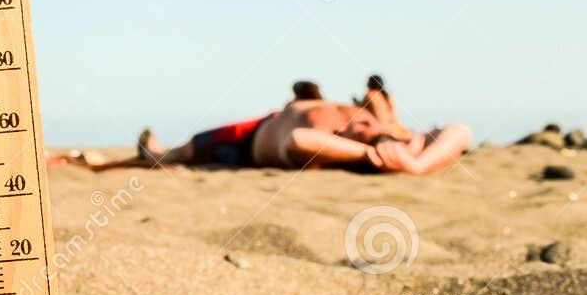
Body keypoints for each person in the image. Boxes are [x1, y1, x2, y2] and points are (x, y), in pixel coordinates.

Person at [68, 86, 471, 176]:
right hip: (281, 116)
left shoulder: (336, 147)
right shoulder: (395, 131)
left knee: (182, 153)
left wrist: (371, 154)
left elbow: (300, 140)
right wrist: (419, 159)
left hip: (249, 139)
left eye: (365, 130)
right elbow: (460, 131)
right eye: (367, 121)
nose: (362, 124)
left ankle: (155, 153)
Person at [356, 73, 411, 138]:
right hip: (395, 127)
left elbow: (363, 111)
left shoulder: (369, 95)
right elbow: (394, 115)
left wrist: (357, 103)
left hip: (381, 128)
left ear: (369, 84)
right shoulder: (387, 96)